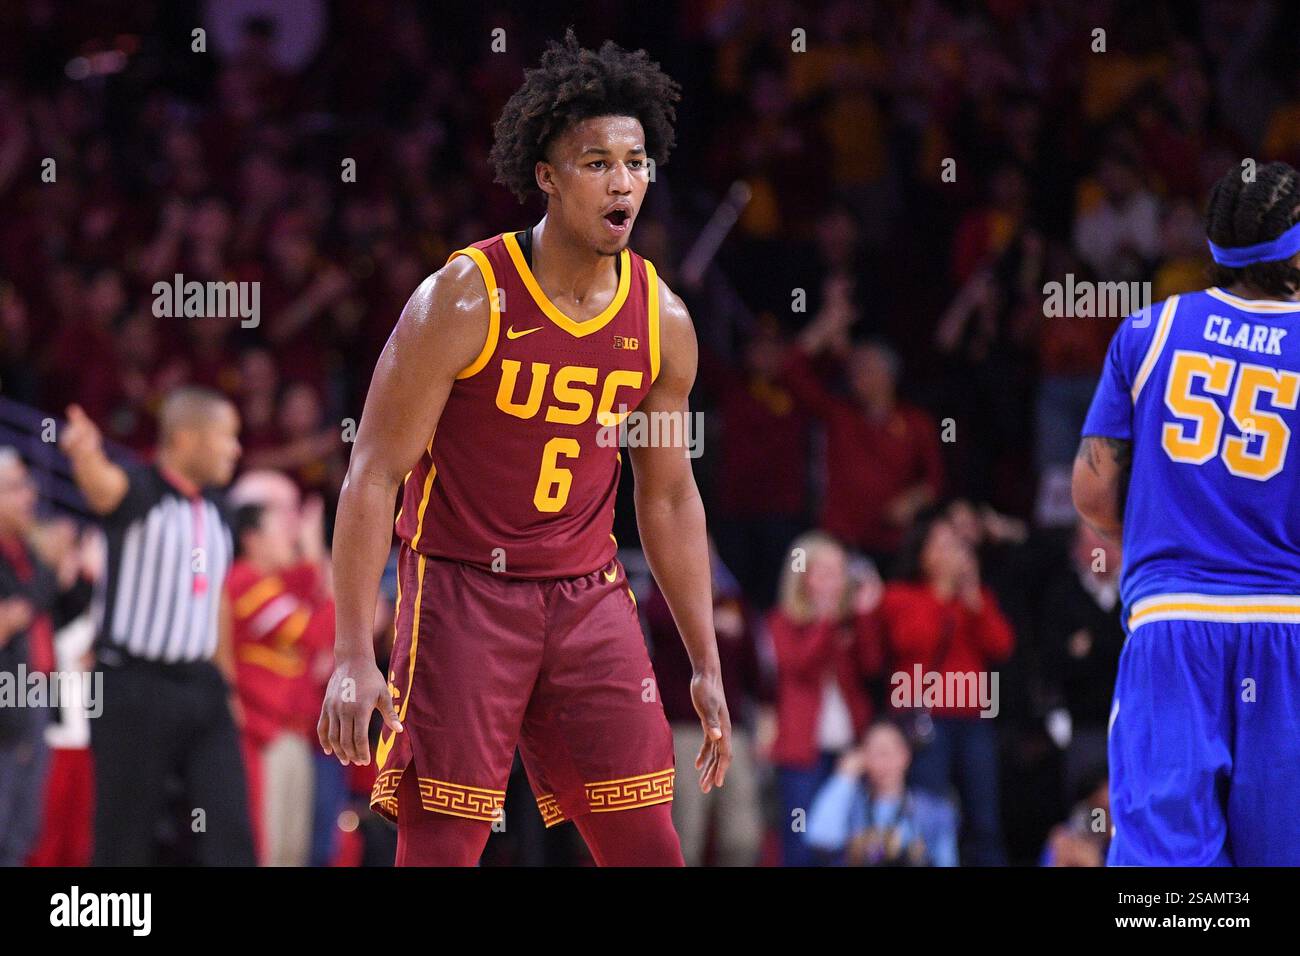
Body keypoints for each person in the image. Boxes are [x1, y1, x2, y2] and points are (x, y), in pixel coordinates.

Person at [318, 30, 730, 867]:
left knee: (650, 842)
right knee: (442, 844)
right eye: (596, 162)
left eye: (636, 160)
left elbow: (668, 497)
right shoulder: (464, 298)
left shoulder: (663, 323)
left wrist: (705, 662)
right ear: (545, 176)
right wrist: (352, 653)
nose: (623, 181)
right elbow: (373, 474)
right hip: (463, 588)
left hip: (587, 591)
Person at [1074, 160, 1300, 866]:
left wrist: (1178, 505)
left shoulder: (1149, 329)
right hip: (1288, 629)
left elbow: (1092, 496)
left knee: (1168, 886)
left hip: (1174, 628)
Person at [60, 388, 255, 866]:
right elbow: (102, 487)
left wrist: (226, 683)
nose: (236, 449)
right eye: (226, 437)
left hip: (202, 688)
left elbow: (217, 601)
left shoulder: (218, 510)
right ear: (186, 439)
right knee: (125, 832)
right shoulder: (138, 490)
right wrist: (84, 453)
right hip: (133, 685)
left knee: (227, 824)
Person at [878, 509, 1015, 865]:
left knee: (984, 817)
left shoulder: (975, 597)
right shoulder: (900, 596)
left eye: (955, 545)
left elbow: (1001, 646)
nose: (951, 553)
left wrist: (972, 597)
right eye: (940, 545)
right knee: (928, 813)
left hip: (973, 720)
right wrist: (942, 596)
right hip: (925, 723)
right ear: (921, 553)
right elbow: (910, 642)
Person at [226, 470, 334, 866]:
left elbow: (309, 584)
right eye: (281, 524)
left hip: (292, 736)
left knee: (292, 853)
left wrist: (312, 554)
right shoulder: (245, 583)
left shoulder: (273, 583)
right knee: (267, 851)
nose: (291, 533)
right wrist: (343, 598)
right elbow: (316, 632)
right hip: (262, 739)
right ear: (251, 537)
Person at [767, 531, 884, 866]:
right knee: (800, 841)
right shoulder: (782, 622)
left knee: (845, 841)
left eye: (840, 572)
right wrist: (826, 621)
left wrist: (863, 615)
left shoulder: (850, 621)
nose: (836, 582)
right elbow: (800, 666)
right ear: (801, 578)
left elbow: (873, 665)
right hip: (801, 753)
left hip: (846, 749)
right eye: (825, 573)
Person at [807, 721, 959, 867]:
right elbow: (821, 839)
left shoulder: (932, 810)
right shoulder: (852, 806)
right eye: (874, 753)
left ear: (905, 755)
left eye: (888, 752)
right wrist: (845, 777)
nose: (883, 762)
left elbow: (947, 861)